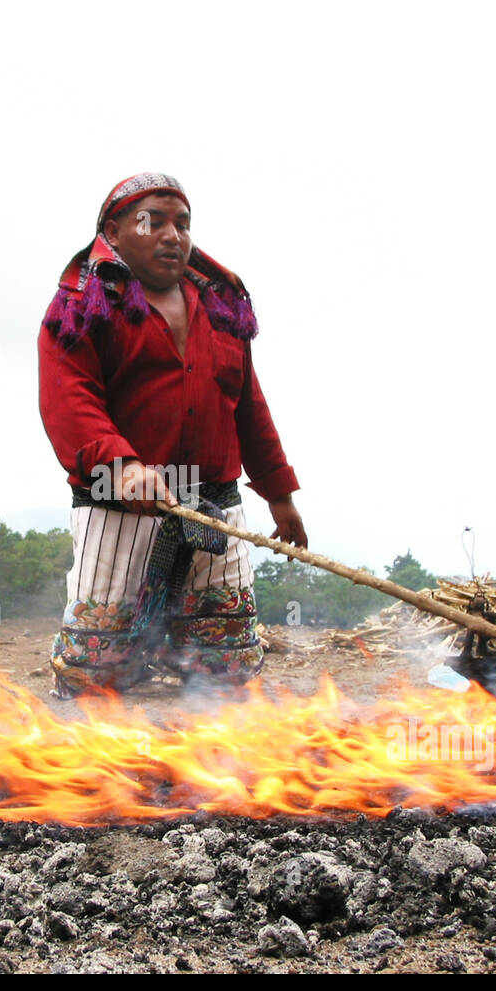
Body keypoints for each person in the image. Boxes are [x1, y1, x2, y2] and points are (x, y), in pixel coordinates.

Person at [39, 172, 306, 697]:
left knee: (225, 671)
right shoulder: (79, 306)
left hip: (214, 509)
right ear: (112, 233)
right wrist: (123, 466)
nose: (172, 235)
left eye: (182, 224)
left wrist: (280, 495)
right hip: (119, 510)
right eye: (152, 221)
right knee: (97, 676)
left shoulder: (221, 308)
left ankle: (207, 770)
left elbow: (248, 406)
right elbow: (70, 401)